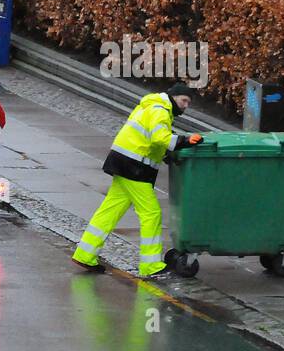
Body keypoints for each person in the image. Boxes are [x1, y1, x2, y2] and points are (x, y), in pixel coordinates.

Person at [72, 82, 203, 278]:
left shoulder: (153, 106)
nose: (185, 106)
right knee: (151, 213)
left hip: (124, 163)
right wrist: (185, 140)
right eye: (184, 101)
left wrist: (166, 154)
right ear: (174, 97)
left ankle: (85, 254)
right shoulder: (161, 110)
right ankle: (150, 266)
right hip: (134, 168)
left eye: (188, 103)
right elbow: (160, 137)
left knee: (109, 211)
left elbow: (150, 139)